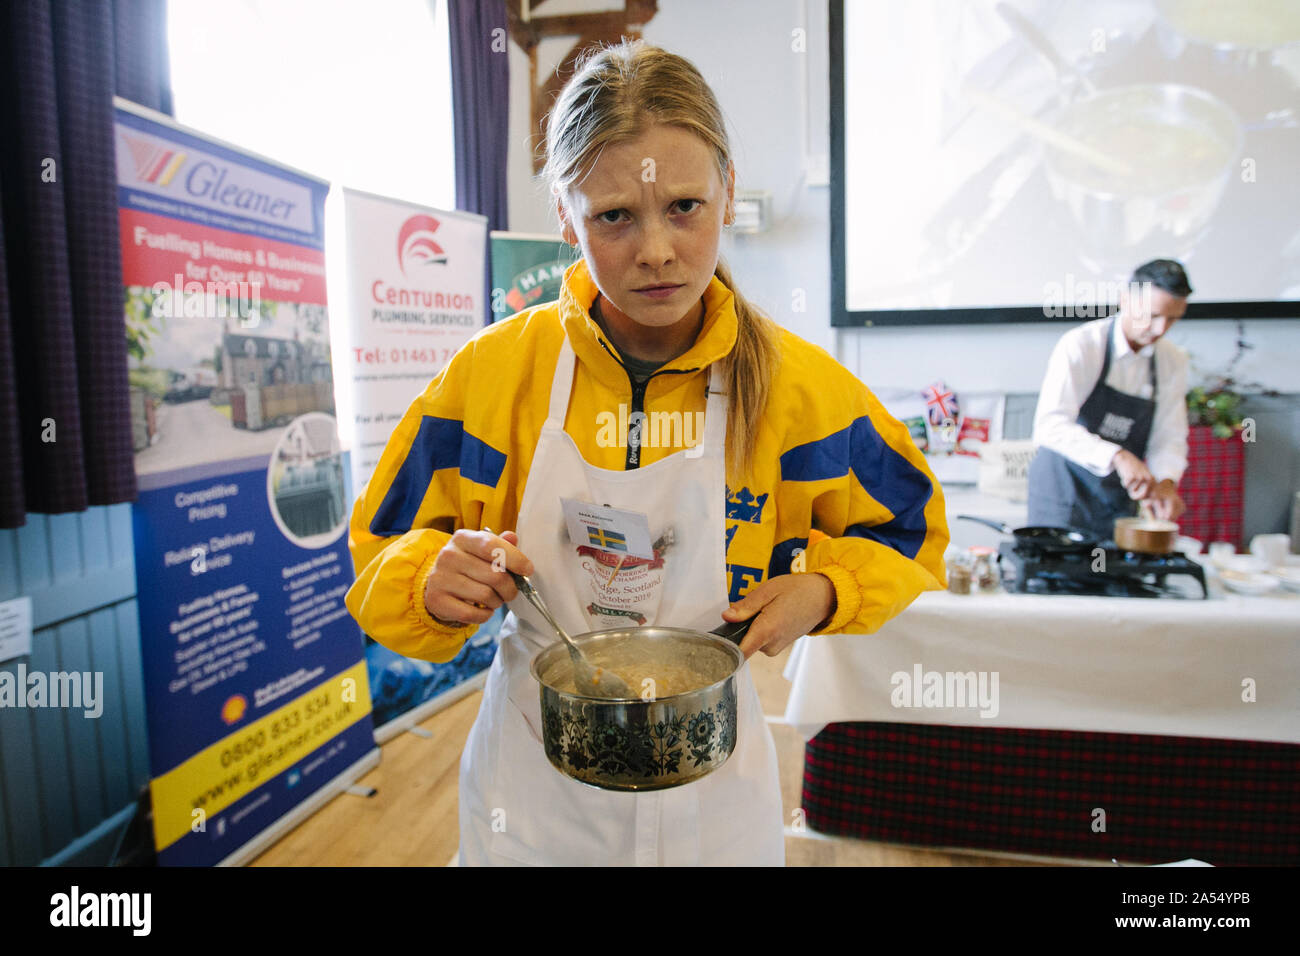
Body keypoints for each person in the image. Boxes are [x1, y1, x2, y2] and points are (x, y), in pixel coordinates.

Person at [345, 40, 947, 867]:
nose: (656, 250)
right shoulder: (490, 377)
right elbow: (381, 551)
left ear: (728, 193)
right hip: (534, 788)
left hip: (715, 787)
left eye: (686, 207)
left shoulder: (806, 393)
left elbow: (911, 533)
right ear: (565, 214)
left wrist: (825, 589)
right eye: (614, 216)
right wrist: (427, 581)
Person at [1027, 259, 1192, 541]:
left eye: (1172, 318)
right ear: (1125, 300)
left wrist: (1166, 481)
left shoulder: (1172, 360)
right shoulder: (1082, 345)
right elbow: (1050, 425)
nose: (1160, 329)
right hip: (1062, 495)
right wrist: (1118, 455)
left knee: (1113, 576)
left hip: (1114, 503)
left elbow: (1169, 436)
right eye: (1151, 316)